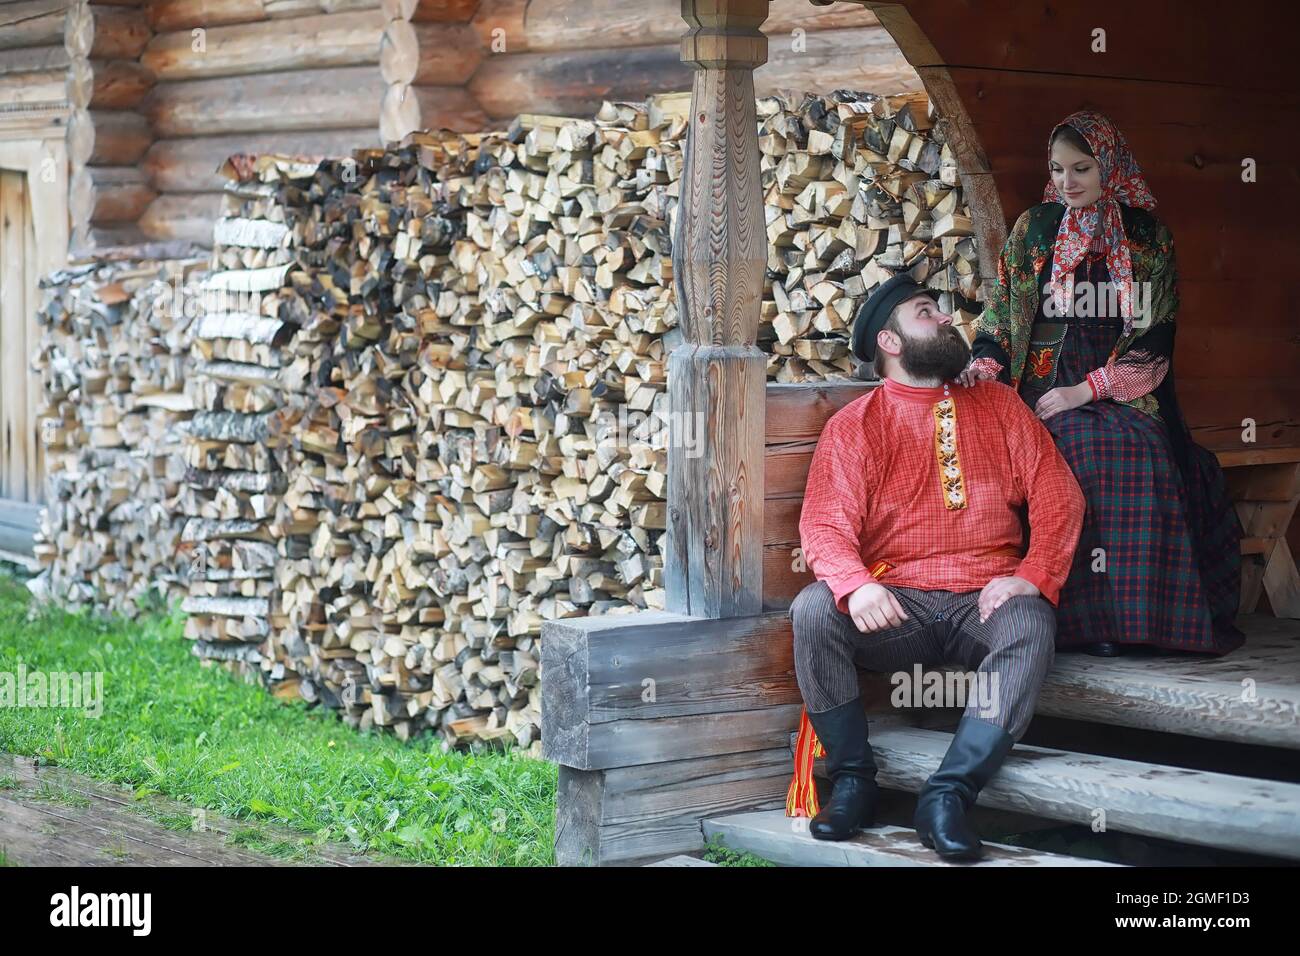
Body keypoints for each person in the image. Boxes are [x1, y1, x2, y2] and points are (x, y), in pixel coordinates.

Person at [786, 273, 1085, 860]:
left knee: (1031, 619)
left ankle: (947, 795)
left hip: (984, 599)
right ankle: (852, 782)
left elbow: (1058, 494)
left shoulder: (998, 404)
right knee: (815, 609)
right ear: (891, 343)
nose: (947, 318)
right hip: (899, 605)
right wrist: (855, 586)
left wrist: (1029, 575)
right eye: (927, 312)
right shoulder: (856, 426)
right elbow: (823, 524)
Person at [960, 110, 1243, 657]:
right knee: (1071, 452)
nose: (1068, 182)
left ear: (1108, 166)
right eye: (1058, 169)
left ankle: (1143, 623)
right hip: (1039, 387)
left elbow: (1156, 337)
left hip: (1120, 390)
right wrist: (987, 373)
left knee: (1130, 451)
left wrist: (1084, 391)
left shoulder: (1147, 237)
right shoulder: (1035, 228)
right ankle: (1081, 626)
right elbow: (1001, 318)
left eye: (1082, 168)